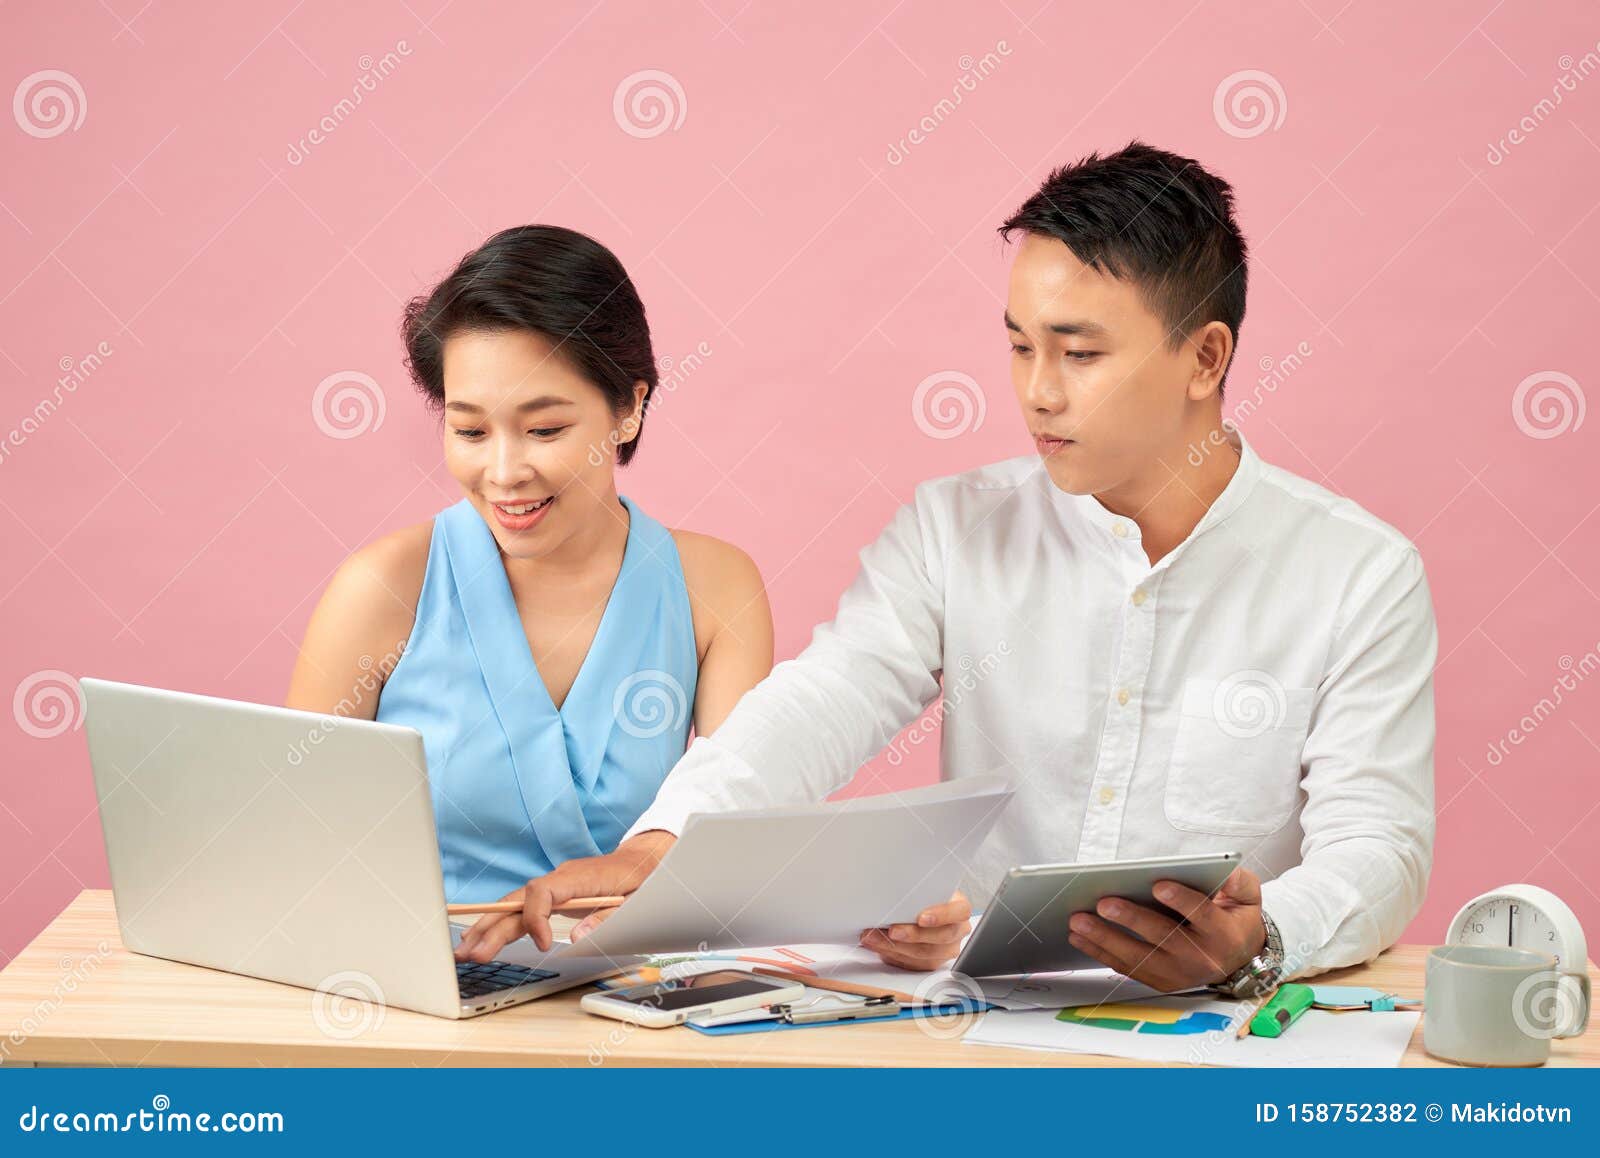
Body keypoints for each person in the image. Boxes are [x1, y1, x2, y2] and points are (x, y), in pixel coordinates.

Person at [457, 144, 1436, 999]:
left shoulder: (1356, 573)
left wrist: (1253, 943)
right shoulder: (956, 529)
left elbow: (1376, 847)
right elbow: (823, 698)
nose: (1037, 392)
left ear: (1204, 356)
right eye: (1018, 347)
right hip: (980, 1026)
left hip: (1220, 1030)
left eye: (1079, 353)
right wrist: (668, 848)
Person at [287, 225, 773, 910]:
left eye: (545, 430)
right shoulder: (381, 589)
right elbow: (298, 844)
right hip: (419, 987)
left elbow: (731, 838)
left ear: (629, 408)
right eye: (470, 431)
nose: (505, 473)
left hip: (629, 987)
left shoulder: (714, 589)